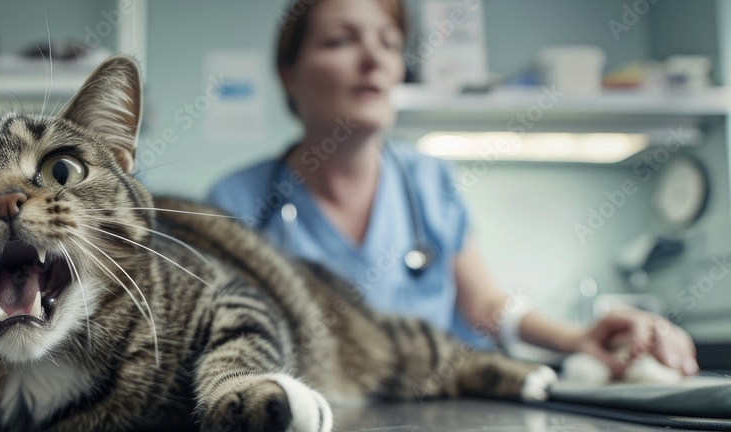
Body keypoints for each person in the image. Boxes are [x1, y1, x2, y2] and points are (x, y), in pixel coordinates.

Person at [206, 0, 698, 377]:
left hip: (434, 425)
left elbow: (486, 308)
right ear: (289, 74)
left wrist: (578, 337)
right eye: (341, 41)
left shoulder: (428, 181)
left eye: (389, 42)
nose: (374, 58)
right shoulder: (236, 203)